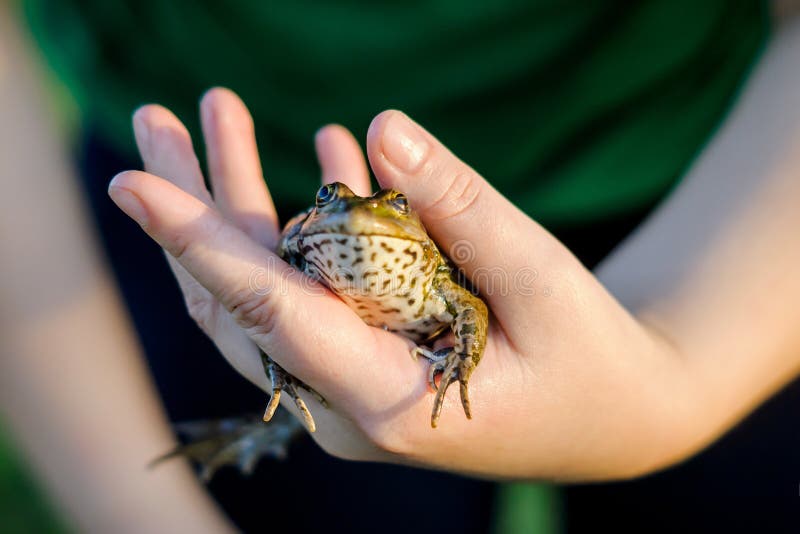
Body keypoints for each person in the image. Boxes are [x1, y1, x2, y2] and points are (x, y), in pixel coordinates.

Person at [3, 1, 800, 532]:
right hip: (212, 188)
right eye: (339, 203)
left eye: (377, 207)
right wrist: (137, 507)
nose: (355, 213)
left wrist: (682, 370)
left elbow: (467, 307)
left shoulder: (424, 264)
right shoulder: (308, 237)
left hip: (727, 200)